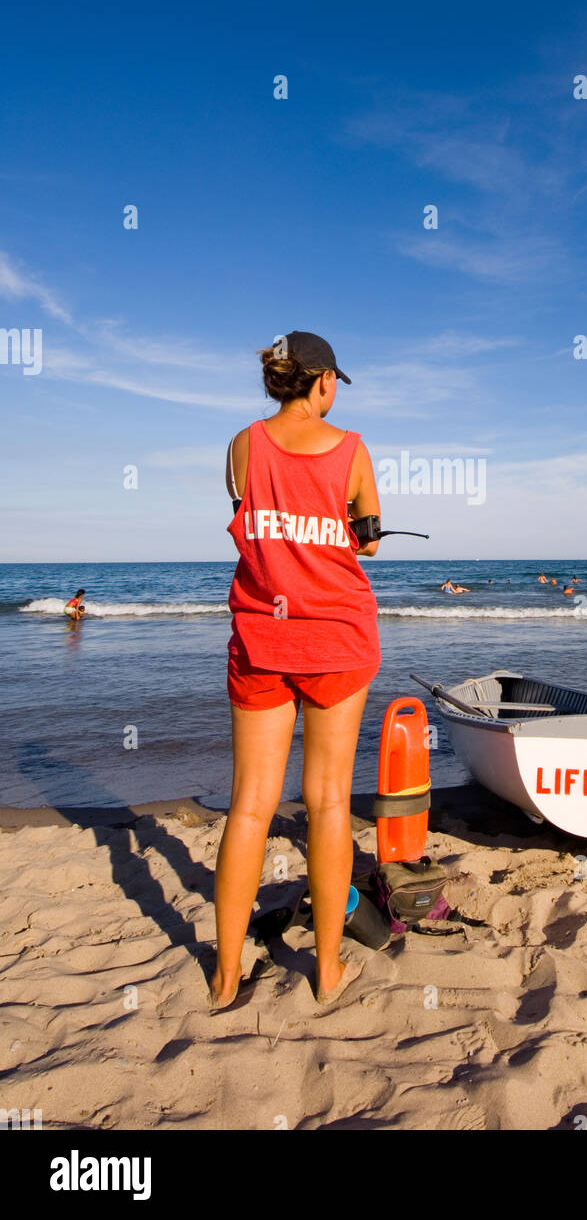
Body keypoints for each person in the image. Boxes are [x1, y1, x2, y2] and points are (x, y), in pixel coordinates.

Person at [212, 330, 381, 1013]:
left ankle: (224, 977)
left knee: (250, 805)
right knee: (329, 802)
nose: (335, 390)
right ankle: (328, 968)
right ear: (320, 383)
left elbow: (252, 524)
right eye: (334, 379)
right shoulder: (353, 448)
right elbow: (366, 540)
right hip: (336, 639)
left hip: (259, 637)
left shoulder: (241, 446)